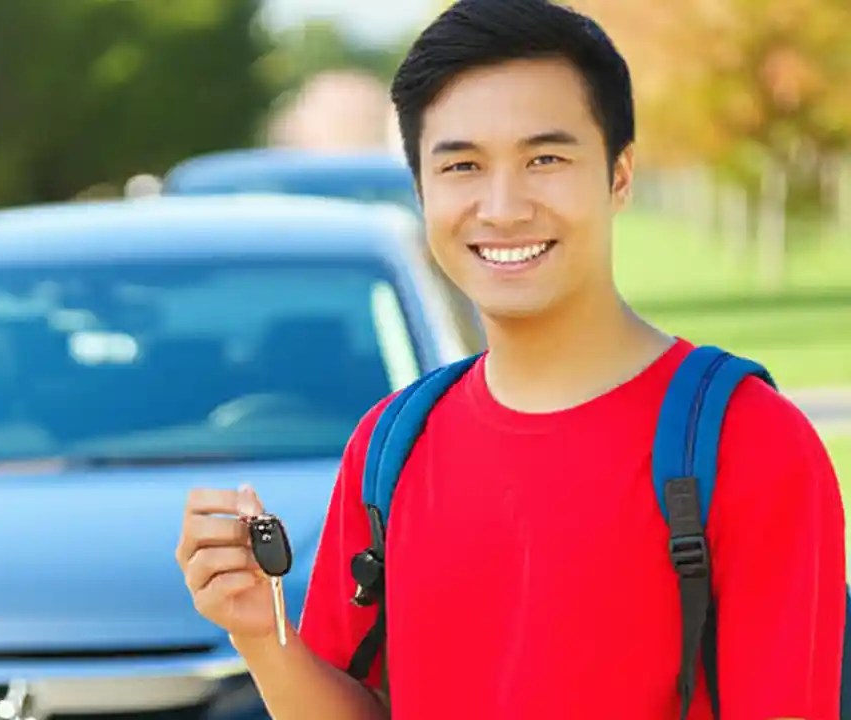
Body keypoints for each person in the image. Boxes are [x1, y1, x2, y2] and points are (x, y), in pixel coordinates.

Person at [173, 0, 847, 718]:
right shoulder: (390, 448)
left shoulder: (750, 443)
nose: (502, 206)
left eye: (545, 158)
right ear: (422, 190)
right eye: (462, 164)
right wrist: (261, 634)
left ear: (619, 176)